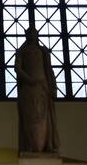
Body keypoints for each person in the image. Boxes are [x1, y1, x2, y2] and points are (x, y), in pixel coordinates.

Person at [14, 24, 59, 154]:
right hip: (29, 90)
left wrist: (52, 87)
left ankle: (47, 144)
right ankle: (30, 146)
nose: (32, 35)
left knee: (45, 118)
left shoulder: (43, 51)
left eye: (34, 33)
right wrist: (29, 79)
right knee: (30, 118)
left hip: (42, 88)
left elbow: (49, 70)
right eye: (30, 33)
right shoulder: (22, 51)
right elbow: (17, 68)